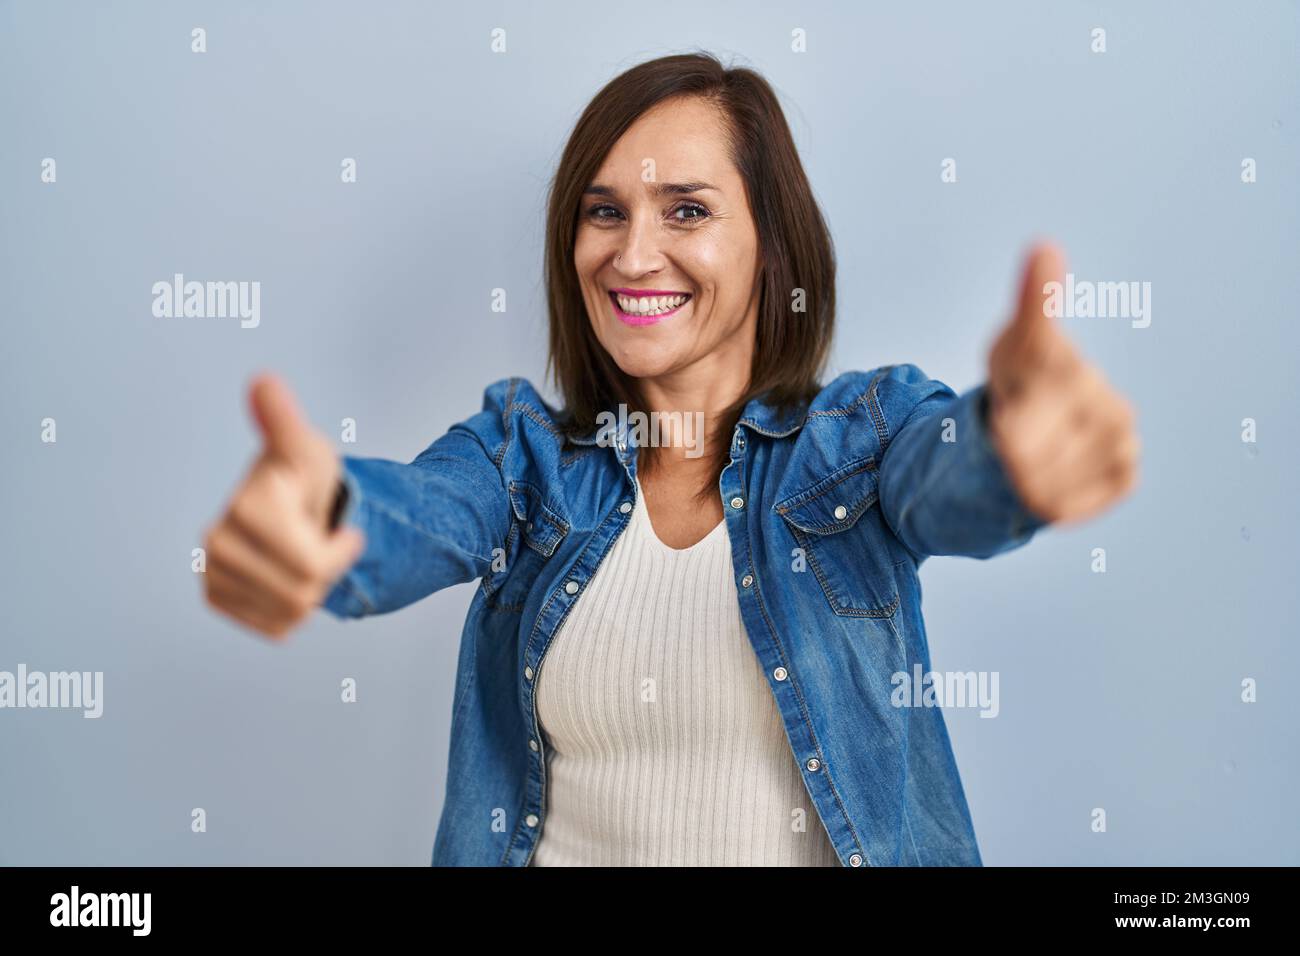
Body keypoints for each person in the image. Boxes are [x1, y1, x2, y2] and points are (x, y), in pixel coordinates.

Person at [201, 53, 1139, 866]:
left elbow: (949, 478)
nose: (633, 254)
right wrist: (320, 516)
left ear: (771, 247)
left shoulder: (859, 440)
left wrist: (1014, 452)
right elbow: (412, 514)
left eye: (686, 210)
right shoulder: (525, 459)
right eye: (603, 212)